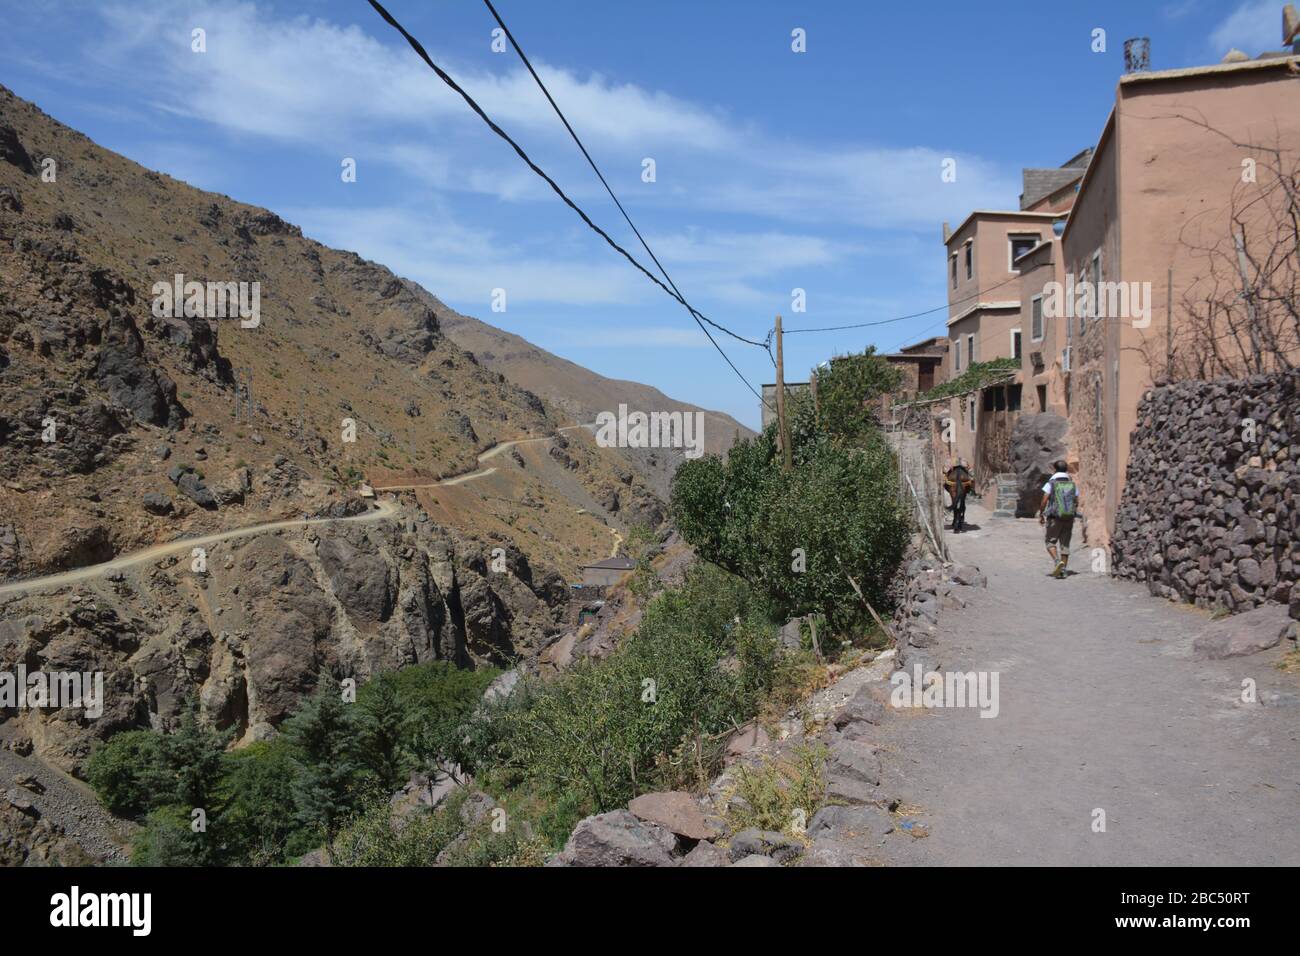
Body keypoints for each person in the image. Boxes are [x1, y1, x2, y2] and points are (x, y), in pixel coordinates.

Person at [1037, 459, 1079, 578]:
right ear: (1066, 470)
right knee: (1065, 545)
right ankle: (1063, 570)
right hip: (1069, 518)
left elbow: (1044, 499)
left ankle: (1057, 561)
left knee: (1050, 542)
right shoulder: (1072, 483)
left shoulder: (1051, 483)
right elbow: (1077, 500)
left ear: (1055, 469)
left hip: (1054, 517)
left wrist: (1041, 513)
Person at [944, 459, 973, 533]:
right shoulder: (965, 466)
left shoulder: (951, 464)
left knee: (955, 503)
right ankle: (960, 521)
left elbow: (945, 472)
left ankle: (955, 523)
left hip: (952, 486)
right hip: (964, 482)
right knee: (962, 503)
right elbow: (971, 474)